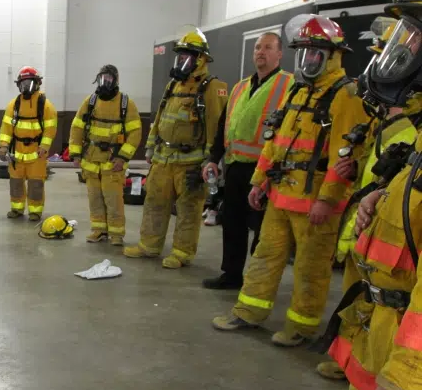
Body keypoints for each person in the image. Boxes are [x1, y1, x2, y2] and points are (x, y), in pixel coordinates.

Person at [255, 0, 422, 390]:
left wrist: (410, 380)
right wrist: (382, 195)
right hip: (385, 330)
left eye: (413, 39)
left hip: (411, 360)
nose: (401, 55)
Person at [212, 15, 372, 347]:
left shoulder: (346, 96)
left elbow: (345, 156)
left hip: (315, 204)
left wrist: (327, 200)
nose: (308, 60)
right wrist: (259, 181)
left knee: (310, 269)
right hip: (281, 196)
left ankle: (301, 326)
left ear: (333, 56)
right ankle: (248, 312)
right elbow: (275, 142)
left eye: (316, 53)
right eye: (304, 53)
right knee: (264, 257)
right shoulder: (298, 92)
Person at [316, 17, 422, 381]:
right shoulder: (391, 124)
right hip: (370, 230)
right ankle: (346, 362)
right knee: (361, 299)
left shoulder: (405, 125)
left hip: (391, 250)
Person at [124, 27, 228, 268]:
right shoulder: (173, 85)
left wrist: (209, 163)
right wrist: (150, 148)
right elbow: (160, 117)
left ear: (200, 59)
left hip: (190, 163)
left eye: (186, 56)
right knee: (154, 203)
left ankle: (182, 253)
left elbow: (216, 128)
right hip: (163, 159)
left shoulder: (212, 87)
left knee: (188, 210)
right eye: (179, 56)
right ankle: (149, 246)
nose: (181, 61)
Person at [202, 32, 294, 289]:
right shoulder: (240, 87)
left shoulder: (290, 85)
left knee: (263, 230)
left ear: (279, 54)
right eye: (257, 47)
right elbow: (224, 125)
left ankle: (257, 282)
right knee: (232, 224)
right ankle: (231, 275)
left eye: (267, 47)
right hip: (235, 167)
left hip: (266, 171)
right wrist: (214, 159)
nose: (260, 52)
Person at [68, 64, 142, 245]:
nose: (105, 82)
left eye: (109, 79)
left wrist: (122, 157)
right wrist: (75, 154)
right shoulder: (90, 102)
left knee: (113, 200)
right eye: (102, 78)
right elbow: (77, 128)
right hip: (91, 161)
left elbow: (135, 133)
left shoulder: (126, 104)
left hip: (113, 161)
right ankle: (99, 230)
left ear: (116, 81)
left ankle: (116, 234)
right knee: (95, 199)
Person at [0, 67, 57, 221]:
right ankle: (16, 209)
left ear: (37, 83)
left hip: (37, 153)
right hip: (16, 152)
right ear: (19, 85)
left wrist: (44, 147)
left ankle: (35, 211)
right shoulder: (13, 105)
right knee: (15, 182)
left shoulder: (45, 105)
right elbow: (6, 128)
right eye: (23, 83)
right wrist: (3, 145)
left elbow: (50, 130)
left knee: (36, 184)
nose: (26, 87)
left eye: (29, 83)